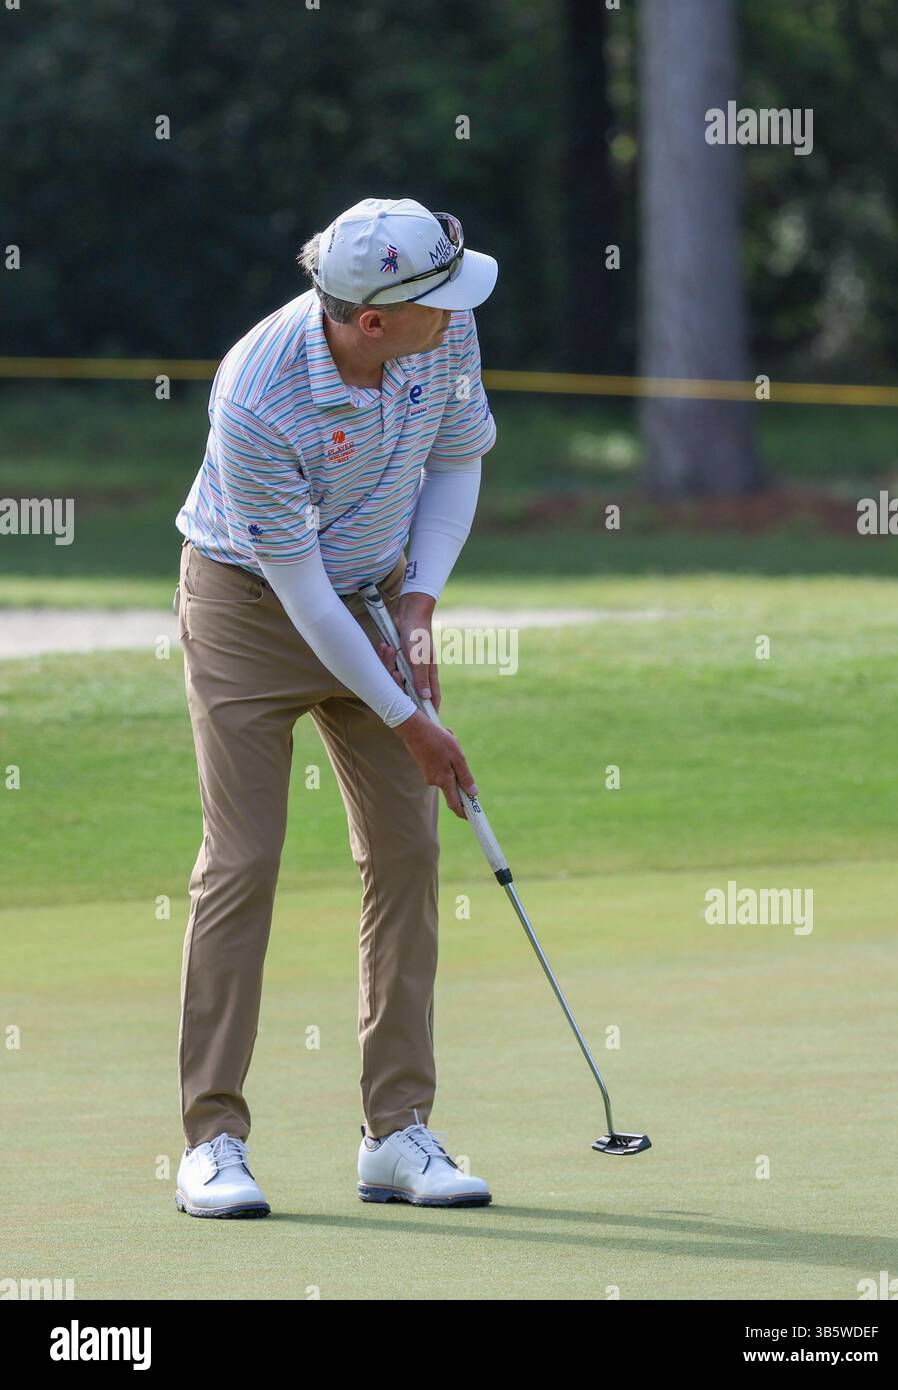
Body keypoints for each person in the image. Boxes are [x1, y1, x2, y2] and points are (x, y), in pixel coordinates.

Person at [172, 198, 498, 1215]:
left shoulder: (441, 323)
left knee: (406, 853)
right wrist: (411, 720)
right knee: (244, 859)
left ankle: (396, 1134)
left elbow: (457, 457)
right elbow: (303, 596)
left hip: (372, 591)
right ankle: (212, 1140)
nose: (459, 306)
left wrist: (420, 600)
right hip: (248, 604)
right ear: (371, 319)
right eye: (437, 299)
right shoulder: (257, 391)